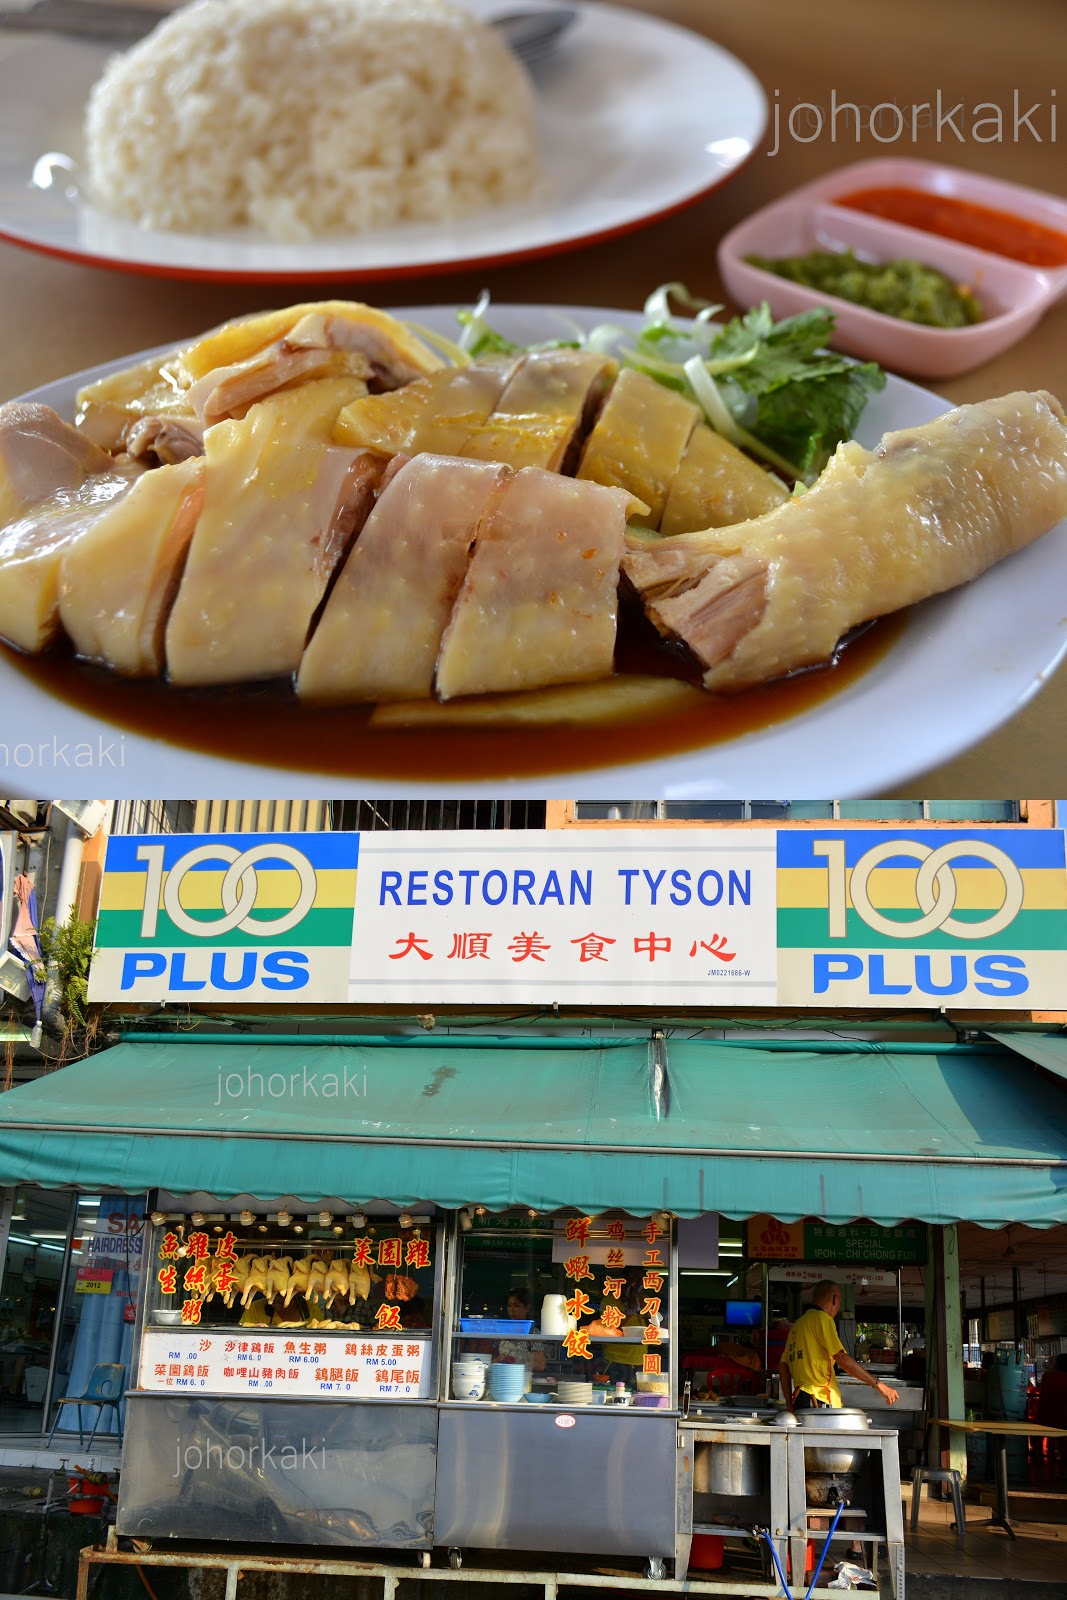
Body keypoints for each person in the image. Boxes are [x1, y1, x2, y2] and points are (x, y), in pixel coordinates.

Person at [779, 1280, 900, 1410]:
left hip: (800, 1399)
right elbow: (841, 1358)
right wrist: (878, 1384)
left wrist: (789, 1402)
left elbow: (783, 1366)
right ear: (835, 1299)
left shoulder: (798, 1325)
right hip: (818, 1398)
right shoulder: (823, 1319)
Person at [497, 1287, 547, 1372]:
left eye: (516, 1306)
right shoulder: (504, 1330)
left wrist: (511, 1360)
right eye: (509, 1305)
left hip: (522, 1378)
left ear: (527, 1308)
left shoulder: (532, 1332)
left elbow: (540, 1365)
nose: (512, 1310)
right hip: (502, 1376)